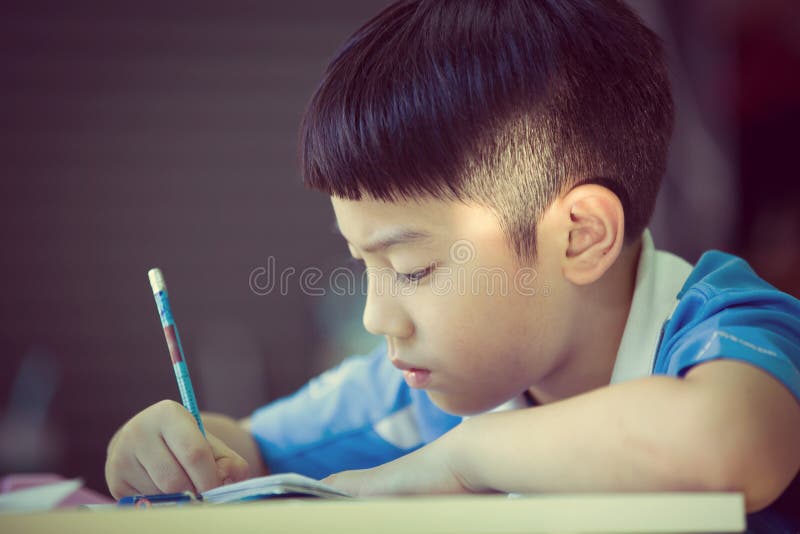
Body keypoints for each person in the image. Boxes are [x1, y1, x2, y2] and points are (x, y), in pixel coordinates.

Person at [104, 0, 800, 515]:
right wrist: (170, 450)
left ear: (580, 236)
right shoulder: (422, 386)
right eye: (364, 264)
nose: (377, 318)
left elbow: (731, 439)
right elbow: (247, 453)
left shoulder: (725, 325)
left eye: (412, 268)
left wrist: (461, 461)